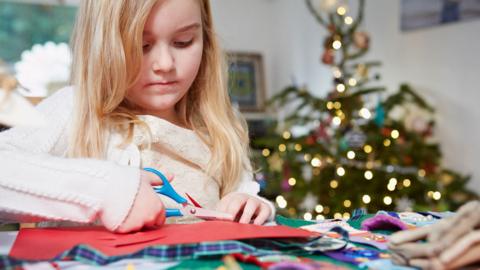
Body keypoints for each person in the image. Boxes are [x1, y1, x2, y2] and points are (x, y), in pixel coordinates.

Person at [0, 0, 274, 233]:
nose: (165, 64)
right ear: (102, 46)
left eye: (183, 42)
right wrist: (103, 188)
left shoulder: (218, 128)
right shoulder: (77, 111)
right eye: (142, 45)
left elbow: (244, 199)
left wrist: (249, 204)